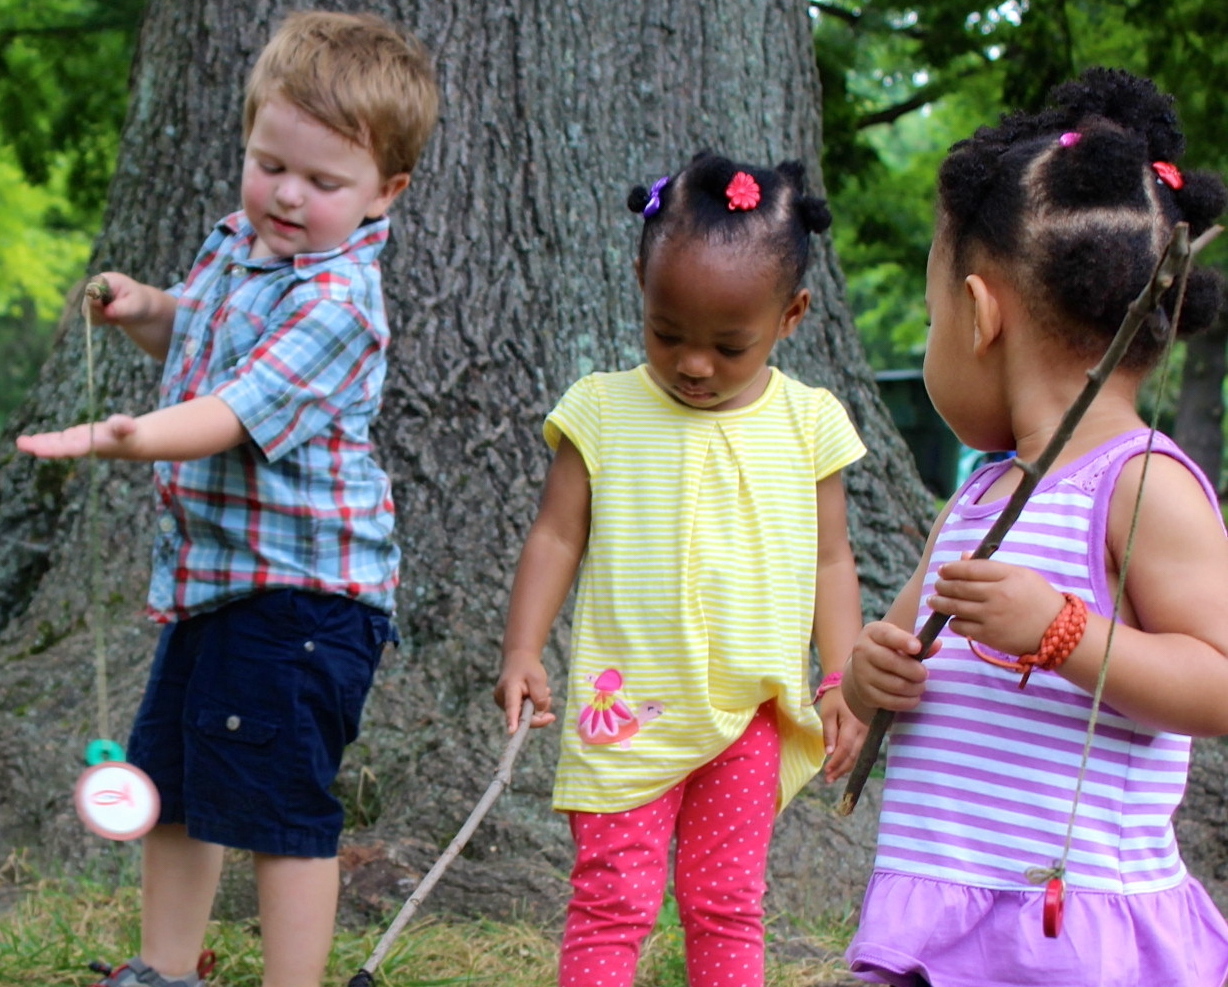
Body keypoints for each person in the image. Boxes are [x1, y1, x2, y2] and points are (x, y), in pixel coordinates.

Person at [17, 12, 438, 987]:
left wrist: (121, 436)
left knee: (281, 811)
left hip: (304, 603)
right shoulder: (235, 244)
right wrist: (148, 309)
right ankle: (163, 970)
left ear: (386, 193)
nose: (287, 196)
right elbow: (201, 339)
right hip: (217, 587)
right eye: (269, 164)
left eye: (323, 182)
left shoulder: (339, 304)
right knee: (170, 789)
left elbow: (230, 411)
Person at [843, 67, 1228, 987]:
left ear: (978, 316)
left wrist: (1062, 631)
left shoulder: (1139, 485)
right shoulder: (979, 497)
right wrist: (870, 675)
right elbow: (903, 649)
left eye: (936, 315)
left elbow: (1217, 680)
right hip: (940, 903)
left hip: (1069, 927)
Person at [494, 151, 868, 987]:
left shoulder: (811, 424)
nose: (693, 364)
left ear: (792, 315)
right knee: (610, 899)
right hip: (624, 709)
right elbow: (556, 537)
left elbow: (832, 558)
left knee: (726, 900)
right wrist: (523, 648)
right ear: (640, 279)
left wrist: (839, 675)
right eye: (668, 334)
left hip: (749, 713)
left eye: (728, 346)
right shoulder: (602, 408)